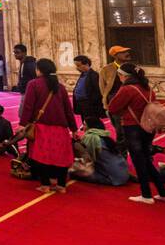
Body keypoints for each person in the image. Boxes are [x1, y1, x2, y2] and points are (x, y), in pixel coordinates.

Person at [107, 63, 165, 204]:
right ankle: (163, 193)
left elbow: (112, 107)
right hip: (148, 127)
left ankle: (146, 195)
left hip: (133, 127)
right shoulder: (147, 88)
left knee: (139, 161)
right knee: (146, 160)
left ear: (124, 75)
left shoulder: (127, 89)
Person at [19, 58, 76, 193]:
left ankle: (45, 185)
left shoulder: (33, 84)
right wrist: (73, 129)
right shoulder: (60, 87)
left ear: (39, 70)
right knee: (61, 157)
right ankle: (61, 185)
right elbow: (68, 110)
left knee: (41, 156)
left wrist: (22, 124)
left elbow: (28, 106)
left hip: (42, 127)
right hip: (61, 128)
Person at [71, 55, 105, 130]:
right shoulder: (83, 75)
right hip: (82, 104)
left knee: (92, 125)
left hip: (89, 106)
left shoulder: (94, 75)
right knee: (86, 124)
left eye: (78, 65)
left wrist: (91, 104)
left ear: (86, 64)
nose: (77, 68)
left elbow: (97, 92)